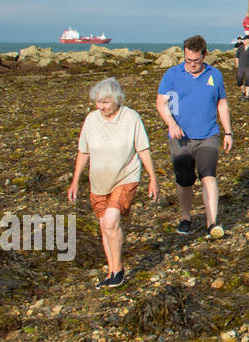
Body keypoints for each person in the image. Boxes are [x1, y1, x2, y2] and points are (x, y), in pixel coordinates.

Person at [70, 78, 158, 287]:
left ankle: (118, 272)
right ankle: (112, 271)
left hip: (125, 177)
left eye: (105, 102)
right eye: (98, 102)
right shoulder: (91, 119)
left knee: (111, 223)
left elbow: (142, 149)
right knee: (105, 227)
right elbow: (83, 151)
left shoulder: (131, 118)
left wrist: (153, 178)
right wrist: (74, 181)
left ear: (117, 99)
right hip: (98, 181)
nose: (101, 107)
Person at [156, 36, 233, 239]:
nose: (191, 64)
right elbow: (160, 103)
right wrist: (171, 124)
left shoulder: (214, 75)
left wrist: (228, 132)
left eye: (196, 60)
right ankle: (186, 217)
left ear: (204, 55)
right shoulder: (172, 75)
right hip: (180, 137)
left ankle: (212, 223)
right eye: (188, 60)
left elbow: (222, 104)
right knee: (185, 180)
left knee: (208, 175)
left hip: (208, 135)